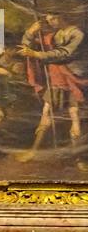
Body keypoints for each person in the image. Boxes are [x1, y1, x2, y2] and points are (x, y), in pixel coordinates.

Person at [18, 12, 88, 161]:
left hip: (74, 79)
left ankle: (80, 159)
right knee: (45, 114)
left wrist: (37, 54)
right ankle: (34, 151)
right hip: (56, 78)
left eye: (54, 18)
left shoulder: (78, 34)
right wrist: (30, 33)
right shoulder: (54, 35)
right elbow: (28, 47)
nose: (51, 22)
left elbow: (64, 53)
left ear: (63, 16)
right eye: (49, 20)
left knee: (75, 117)